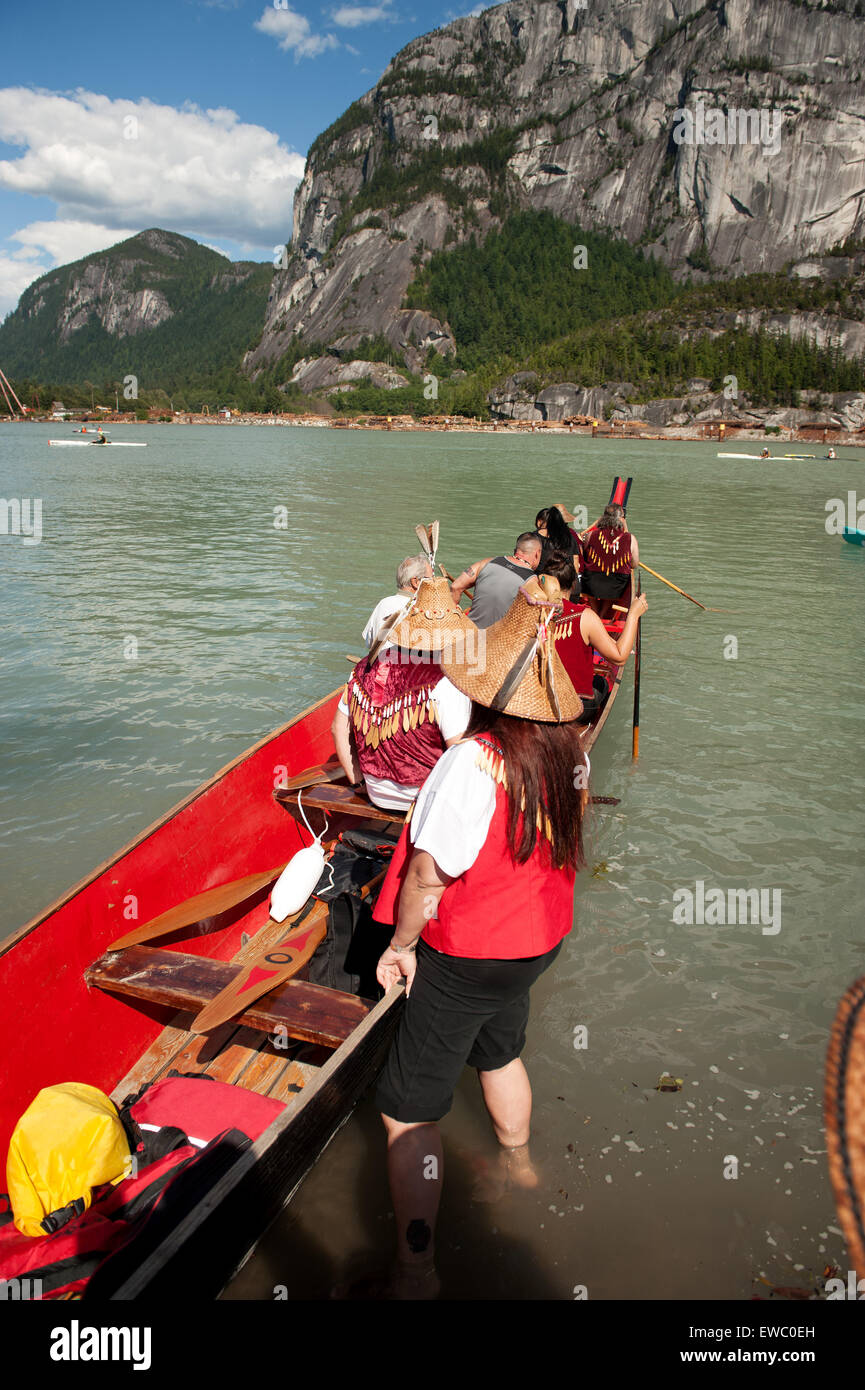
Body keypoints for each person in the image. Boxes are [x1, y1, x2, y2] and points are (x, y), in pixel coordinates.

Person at [369, 574, 589, 1298]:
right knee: (501, 1049)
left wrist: (399, 948)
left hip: (471, 952)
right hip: (535, 940)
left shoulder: (471, 761)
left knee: (406, 1108)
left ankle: (414, 1270)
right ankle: (519, 1164)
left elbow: (428, 877)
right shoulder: (564, 756)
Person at [331, 575, 475, 813]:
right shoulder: (444, 682)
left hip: (375, 792)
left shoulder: (363, 668)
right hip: (425, 798)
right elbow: (459, 752)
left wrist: (359, 782)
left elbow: (338, 729)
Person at [542, 551, 647, 723]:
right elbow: (619, 658)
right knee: (601, 682)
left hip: (539, 701)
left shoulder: (529, 612)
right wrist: (633, 615)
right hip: (574, 708)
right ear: (574, 584)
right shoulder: (585, 616)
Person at [450, 533, 542, 628]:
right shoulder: (532, 581)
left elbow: (455, 586)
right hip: (499, 640)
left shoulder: (487, 562)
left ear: (516, 550)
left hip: (469, 632)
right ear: (537, 554)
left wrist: (451, 622)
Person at [579, 503, 639, 621]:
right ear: (621, 519)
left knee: (592, 578)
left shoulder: (591, 535)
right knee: (611, 583)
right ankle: (602, 613)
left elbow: (585, 554)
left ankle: (595, 611)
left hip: (592, 583)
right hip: (616, 586)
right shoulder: (630, 538)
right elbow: (634, 564)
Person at [362, 555, 433, 652]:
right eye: (430, 579)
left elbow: (370, 643)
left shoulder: (384, 603)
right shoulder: (424, 609)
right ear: (415, 582)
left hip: (380, 663)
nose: (434, 583)